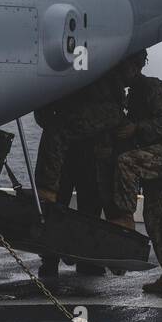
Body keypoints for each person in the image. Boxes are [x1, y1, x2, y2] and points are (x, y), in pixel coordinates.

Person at [109, 50, 162, 294]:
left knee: (126, 162)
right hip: (159, 155)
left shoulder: (151, 88)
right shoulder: (133, 93)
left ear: (134, 67)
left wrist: (136, 128)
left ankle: (125, 219)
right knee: (155, 213)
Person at [33, 70, 127, 278]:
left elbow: (45, 114)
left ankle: (65, 260)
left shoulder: (66, 76)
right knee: (67, 208)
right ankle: (57, 259)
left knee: (80, 208)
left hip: (83, 154)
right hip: (76, 155)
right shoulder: (103, 77)